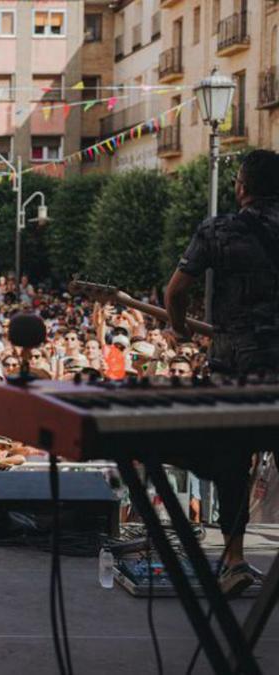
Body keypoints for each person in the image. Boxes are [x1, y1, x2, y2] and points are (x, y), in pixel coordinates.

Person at [163, 149, 279, 597]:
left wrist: (179, 329)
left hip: (237, 368)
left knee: (234, 463)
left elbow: (176, 291)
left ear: (243, 186)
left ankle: (233, 559)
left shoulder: (220, 229)